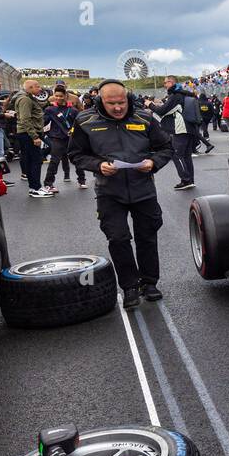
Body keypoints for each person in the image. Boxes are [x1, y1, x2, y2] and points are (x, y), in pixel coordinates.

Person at [69, 80, 175, 309]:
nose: (118, 108)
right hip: (109, 191)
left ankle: (149, 283)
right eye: (111, 103)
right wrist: (98, 165)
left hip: (143, 189)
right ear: (100, 100)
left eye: (121, 102)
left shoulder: (144, 118)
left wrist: (153, 162)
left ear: (128, 98)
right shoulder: (84, 120)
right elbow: (76, 155)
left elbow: (166, 148)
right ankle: (129, 286)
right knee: (118, 238)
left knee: (147, 236)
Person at [151, 78, 195, 190]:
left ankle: (185, 180)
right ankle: (190, 180)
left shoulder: (175, 95)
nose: (164, 84)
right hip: (190, 127)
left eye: (166, 82)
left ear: (172, 83)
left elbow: (162, 111)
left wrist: (150, 105)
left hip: (180, 128)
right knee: (186, 155)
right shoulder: (185, 94)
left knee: (176, 155)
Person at [12, 78, 51, 198]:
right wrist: (34, 136)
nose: (40, 89)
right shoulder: (25, 99)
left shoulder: (28, 97)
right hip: (29, 134)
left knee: (31, 160)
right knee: (35, 160)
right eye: (37, 86)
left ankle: (34, 187)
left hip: (27, 133)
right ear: (30, 88)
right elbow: (25, 119)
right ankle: (35, 188)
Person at [43, 89, 84, 189]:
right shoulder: (50, 109)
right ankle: (48, 184)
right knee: (54, 161)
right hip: (57, 138)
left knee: (77, 159)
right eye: (56, 96)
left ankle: (82, 180)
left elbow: (78, 123)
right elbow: (43, 122)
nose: (58, 98)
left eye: (60, 96)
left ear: (66, 96)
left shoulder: (73, 110)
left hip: (71, 138)